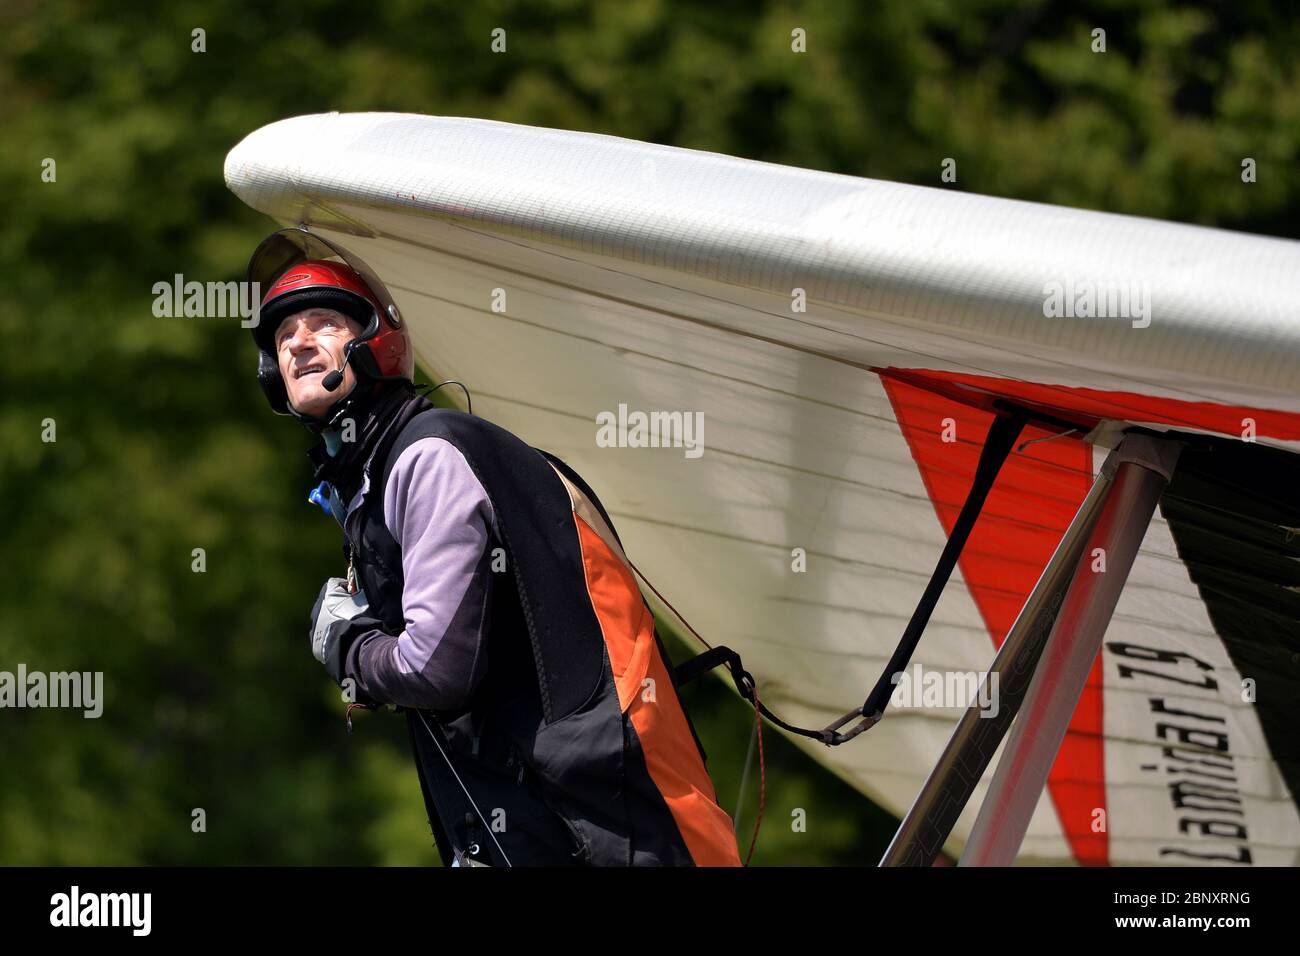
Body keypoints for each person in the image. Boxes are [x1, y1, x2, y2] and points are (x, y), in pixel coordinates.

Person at [247, 229, 742, 867]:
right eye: (284, 338)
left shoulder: (428, 456)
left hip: (610, 838)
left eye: (324, 323)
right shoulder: (378, 475)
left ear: (375, 342)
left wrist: (346, 645)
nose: (299, 343)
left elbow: (434, 668)